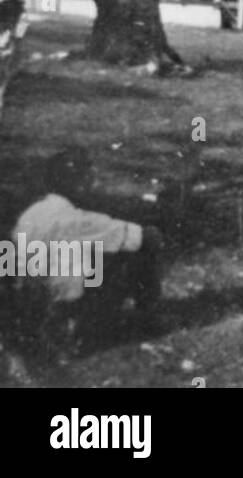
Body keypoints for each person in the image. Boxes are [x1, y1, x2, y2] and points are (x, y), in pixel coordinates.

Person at [5, 147, 165, 355]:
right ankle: (146, 318)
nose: (93, 184)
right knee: (139, 244)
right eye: (88, 179)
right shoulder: (80, 220)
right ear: (78, 184)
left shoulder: (29, 215)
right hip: (67, 307)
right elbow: (145, 237)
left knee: (94, 252)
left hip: (30, 303)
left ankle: (50, 329)